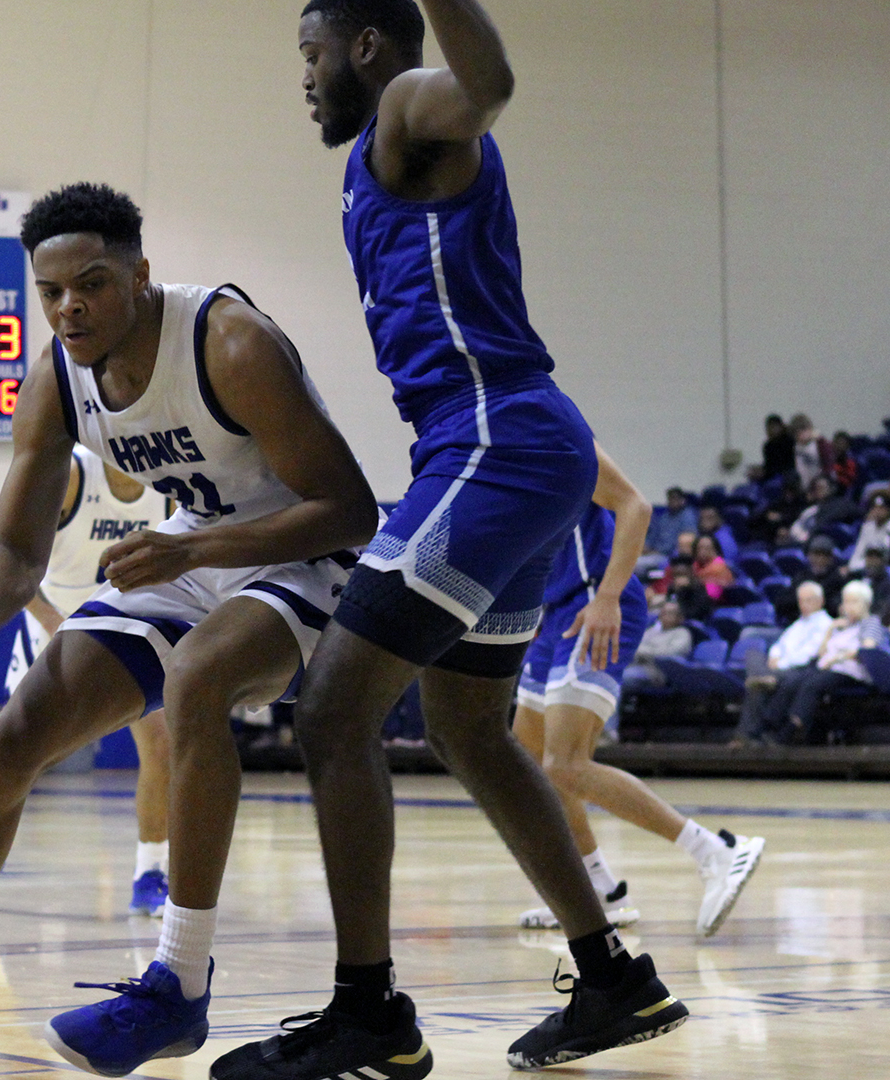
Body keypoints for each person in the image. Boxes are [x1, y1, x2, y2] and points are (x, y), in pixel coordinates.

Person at [0, 183, 380, 1080]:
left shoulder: (228, 344)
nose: (70, 306)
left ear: (141, 276)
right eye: (52, 290)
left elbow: (348, 510)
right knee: (11, 740)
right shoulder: (56, 376)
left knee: (194, 681)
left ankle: (178, 989)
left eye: (93, 283)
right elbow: (17, 548)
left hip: (301, 557)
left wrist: (200, 551)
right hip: (193, 552)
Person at [220, 5, 689, 1077]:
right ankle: (612, 978)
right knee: (470, 727)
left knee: (335, 710)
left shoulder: (404, 111)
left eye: (310, 52)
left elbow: (484, 89)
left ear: (371, 46)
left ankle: (368, 1012)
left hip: (495, 442)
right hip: (505, 449)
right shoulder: (373, 157)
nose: (302, 75)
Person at [509, 447, 763, 937]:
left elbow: (637, 507)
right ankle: (597, 888)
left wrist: (607, 597)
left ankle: (715, 851)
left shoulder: (550, 429)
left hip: (597, 598)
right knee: (531, 758)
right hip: (555, 612)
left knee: (565, 763)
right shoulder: (485, 452)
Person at [3, 441, 175, 914]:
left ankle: (150, 873)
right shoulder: (73, 474)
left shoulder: (170, 481)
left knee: (161, 745)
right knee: (9, 756)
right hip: (55, 621)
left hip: (127, 621)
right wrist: (52, 620)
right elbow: (12, 563)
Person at [756, 580, 888, 743]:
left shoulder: (871, 623)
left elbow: (867, 650)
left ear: (866, 603)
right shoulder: (841, 624)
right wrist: (831, 629)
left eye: (854, 601)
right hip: (828, 668)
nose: (848, 606)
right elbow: (821, 653)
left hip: (851, 672)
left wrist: (836, 658)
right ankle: (769, 724)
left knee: (813, 684)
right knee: (794, 680)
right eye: (846, 601)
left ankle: (790, 730)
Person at [731, 580, 832, 747]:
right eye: (801, 600)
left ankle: (745, 735)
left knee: (756, 685)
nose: (803, 605)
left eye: (808, 600)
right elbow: (779, 645)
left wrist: (779, 664)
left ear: (820, 601)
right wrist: (774, 657)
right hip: (778, 668)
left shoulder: (825, 624)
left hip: (798, 669)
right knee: (753, 654)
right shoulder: (797, 624)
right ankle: (764, 677)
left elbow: (809, 654)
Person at [849, 490, 890, 571]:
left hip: (885, 569)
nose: (877, 511)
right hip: (866, 568)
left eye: (881, 508)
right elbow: (857, 556)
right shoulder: (868, 527)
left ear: (889, 510)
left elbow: (886, 556)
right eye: (875, 508)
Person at [643, 487, 695, 561]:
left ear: (682, 500)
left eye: (675, 498)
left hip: (670, 555)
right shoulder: (664, 516)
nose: (672, 501)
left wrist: (657, 551)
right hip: (654, 553)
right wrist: (646, 547)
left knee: (637, 565)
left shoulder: (688, 516)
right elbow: (654, 535)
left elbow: (682, 543)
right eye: (670, 499)